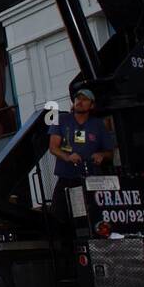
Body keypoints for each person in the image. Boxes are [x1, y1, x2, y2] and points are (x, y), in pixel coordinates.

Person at [48, 87, 116, 216]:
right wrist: (68, 157)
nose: (80, 101)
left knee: (91, 215)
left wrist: (101, 155)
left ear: (92, 105)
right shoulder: (61, 119)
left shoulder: (98, 124)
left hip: (92, 180)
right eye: (78, 98)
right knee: (59, 215)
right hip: (66, 178)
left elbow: (110, 153)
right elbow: (53, 147)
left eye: (85, 99)